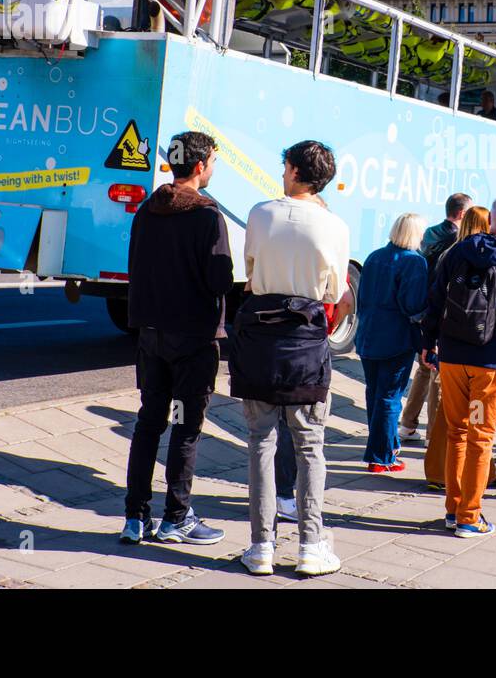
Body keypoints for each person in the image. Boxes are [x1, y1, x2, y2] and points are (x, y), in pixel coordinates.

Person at [234, 140, 349, 577]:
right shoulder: (334, 226)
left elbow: (249, 271)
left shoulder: (261, 213)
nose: (282, 172)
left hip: (260, 342)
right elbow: (335, 292)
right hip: (305, 344)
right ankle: (310, 545)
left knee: (261, 443)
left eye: (285, 166)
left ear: (295, 170)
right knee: (310, 448)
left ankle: (261, 545)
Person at [121, 131, 233, 547]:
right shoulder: (207, 216)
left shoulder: (148, 210)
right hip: (194, 339)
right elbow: (220, 279)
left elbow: (133, 266)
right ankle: (176, 517)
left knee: (148, 423)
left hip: (151, 335)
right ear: (201, 166)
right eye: (214, 163)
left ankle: (134, 517)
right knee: (185, 427)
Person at [422, 194, 496, 537]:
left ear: (490, 222)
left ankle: (452, 509)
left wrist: (428, 344)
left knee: (457, 433)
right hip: (488, 364)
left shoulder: (456, 252)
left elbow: (435, 300)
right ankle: (469, 517)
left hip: (453, 359)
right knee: (480, 436)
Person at [423, 206, 496, 487]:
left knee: (449, 416)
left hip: (451, 345)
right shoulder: (493, 256)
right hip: (482, 351)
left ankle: (438, 471)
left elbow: (435, 300)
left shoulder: (449, 255)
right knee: (477, 417)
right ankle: (477, 473)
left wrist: (430, 341)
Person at [355, 213, 429, 473]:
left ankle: (385, 445)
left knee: (374, 394)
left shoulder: (374, 256)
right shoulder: (414, 262)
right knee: (389, 397)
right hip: (395, 337)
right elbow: (414, 306)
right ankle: (381, 455)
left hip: (367, 335)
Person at [401, 193, 472, 443]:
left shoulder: (429, 232)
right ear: (462, 214)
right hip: (441, 309)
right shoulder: (457, 241)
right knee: (435, 374)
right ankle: (433, 434)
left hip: (423, 307)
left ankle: (408, 423)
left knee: (422, 369)